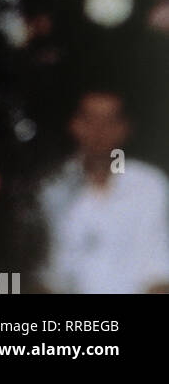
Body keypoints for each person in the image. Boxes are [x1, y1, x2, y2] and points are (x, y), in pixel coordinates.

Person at [37, 87, 169, 294]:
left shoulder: (149, 185)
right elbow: (50, 273)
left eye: (110, 121)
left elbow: (157, 269)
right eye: (90, 120)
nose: (99, 131)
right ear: (74, 125)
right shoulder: (53, 186)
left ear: (125, 128)